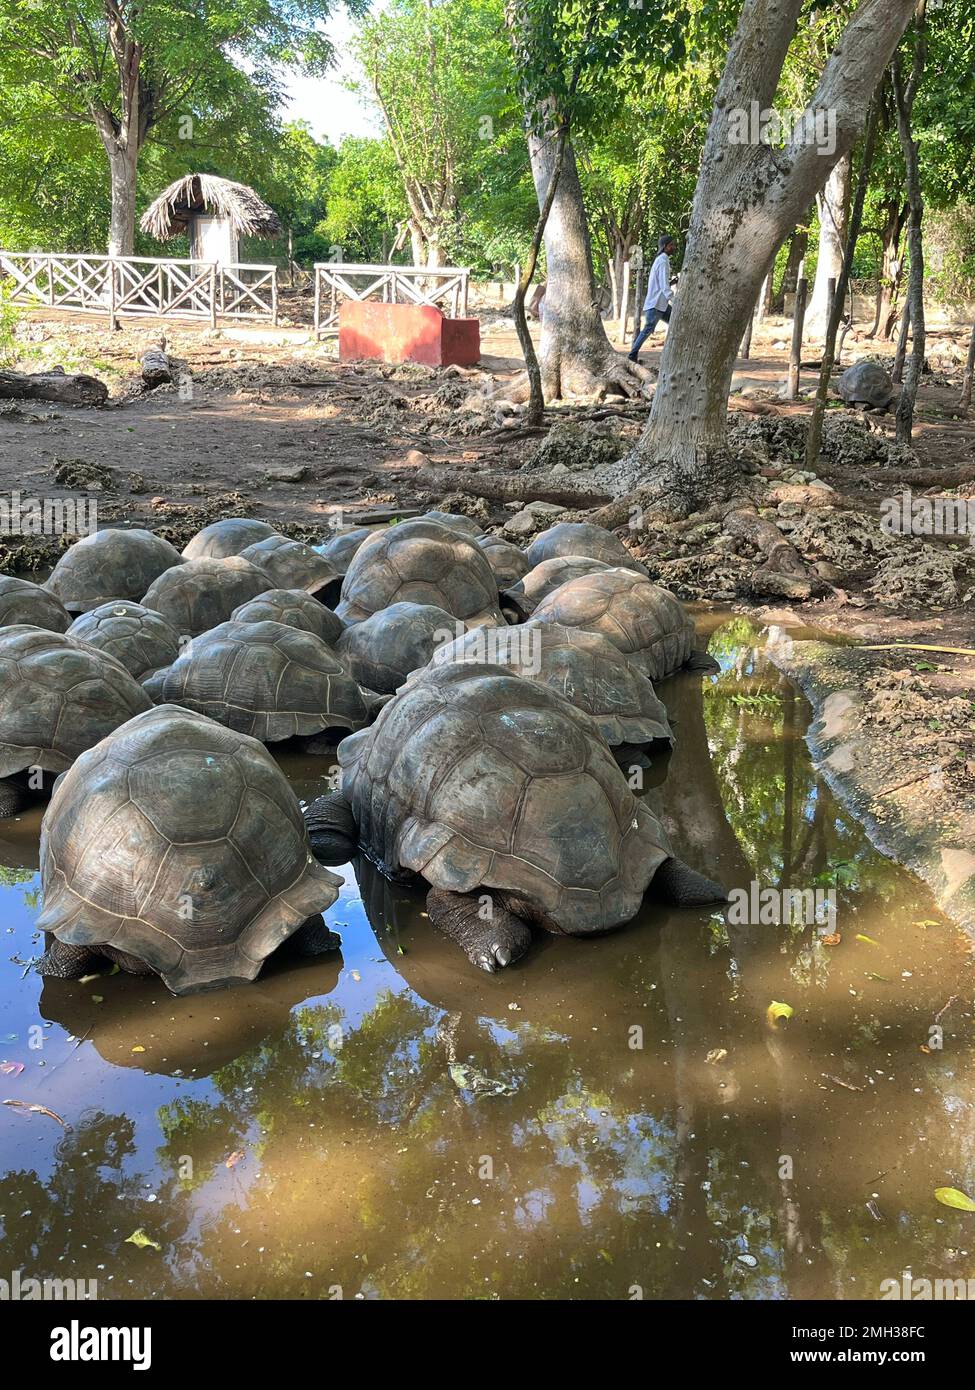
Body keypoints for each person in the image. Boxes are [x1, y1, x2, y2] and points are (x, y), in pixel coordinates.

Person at [628, 234, 677, 362]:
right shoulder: (663, 260)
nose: (674, 247)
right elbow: (663, 285)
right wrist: (674, 299)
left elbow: (660, 283)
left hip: (661, 304)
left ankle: (672, 355)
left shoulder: (660, 260)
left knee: (676, 323)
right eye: (671, 245)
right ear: (665, 247)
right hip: (656, 304)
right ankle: (632, 355)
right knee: (647, 330)